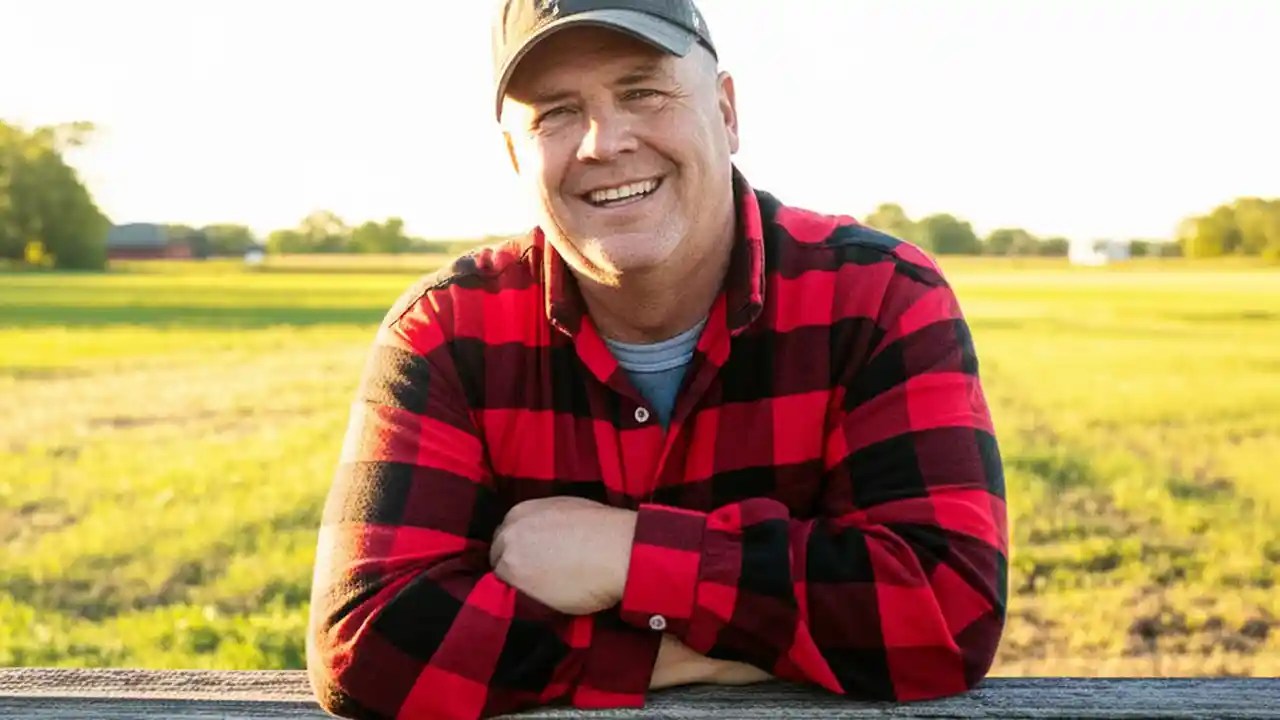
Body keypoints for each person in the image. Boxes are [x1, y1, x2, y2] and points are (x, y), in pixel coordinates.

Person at [306, 1, 1008, 718]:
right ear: (516, 157)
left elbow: (946, 607)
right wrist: (693, 655)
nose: (603, 142)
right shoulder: (447, 331)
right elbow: (366, 642)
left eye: (642, 91)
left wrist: (627, 554)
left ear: (726, 113)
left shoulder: (878, 295)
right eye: (556, 113)